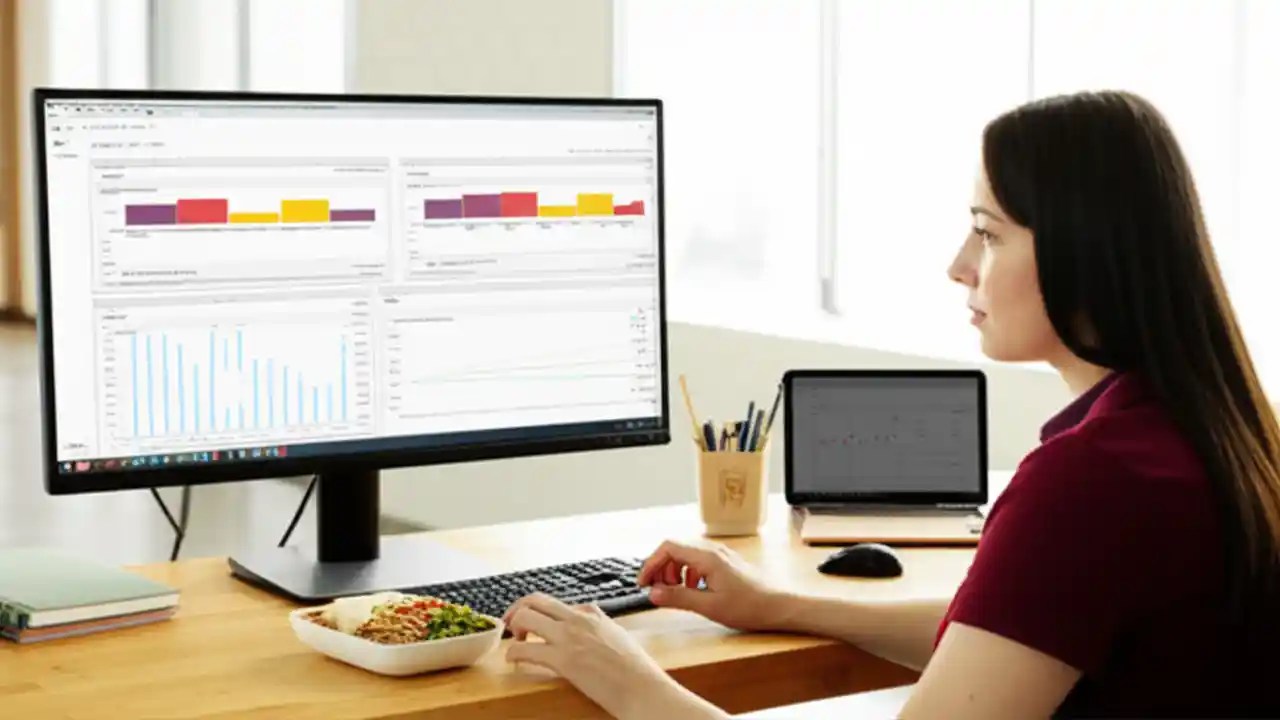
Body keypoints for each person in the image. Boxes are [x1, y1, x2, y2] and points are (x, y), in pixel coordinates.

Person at [501, 90, 1280, 718]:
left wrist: (628, 681)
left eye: (989, 234)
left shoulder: (1092, 482)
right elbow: (1016, 629)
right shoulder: (1205, 432)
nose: (958, 266)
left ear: (1086, 248)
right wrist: (783, 604)